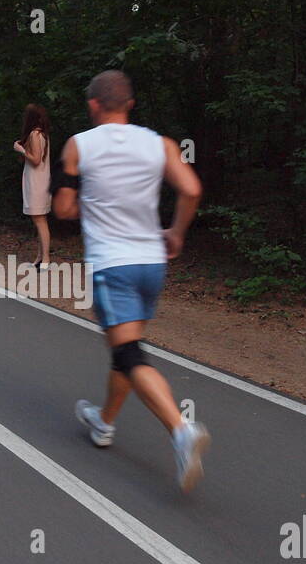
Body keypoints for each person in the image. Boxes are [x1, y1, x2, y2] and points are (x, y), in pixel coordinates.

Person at [52, 70, 210, 491]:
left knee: (129, 355)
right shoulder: (161, 145)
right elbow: (191, 189)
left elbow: (64, 209)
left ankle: (181, 430)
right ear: (131, 103)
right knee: (126, 351)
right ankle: (103, 423)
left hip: (113, 265)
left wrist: (95, 207)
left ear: (93, 105)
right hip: (151, 264)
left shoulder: (79, 146)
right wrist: (176, 232)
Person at [13, 103, 51, 268]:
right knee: (39, 219)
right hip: (40, 179)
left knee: (40, 219)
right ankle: (39, 257)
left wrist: (20, 149)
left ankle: (46, 259)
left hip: (37, 181)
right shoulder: (43, 134)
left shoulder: (35, 135)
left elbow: (35, 160)